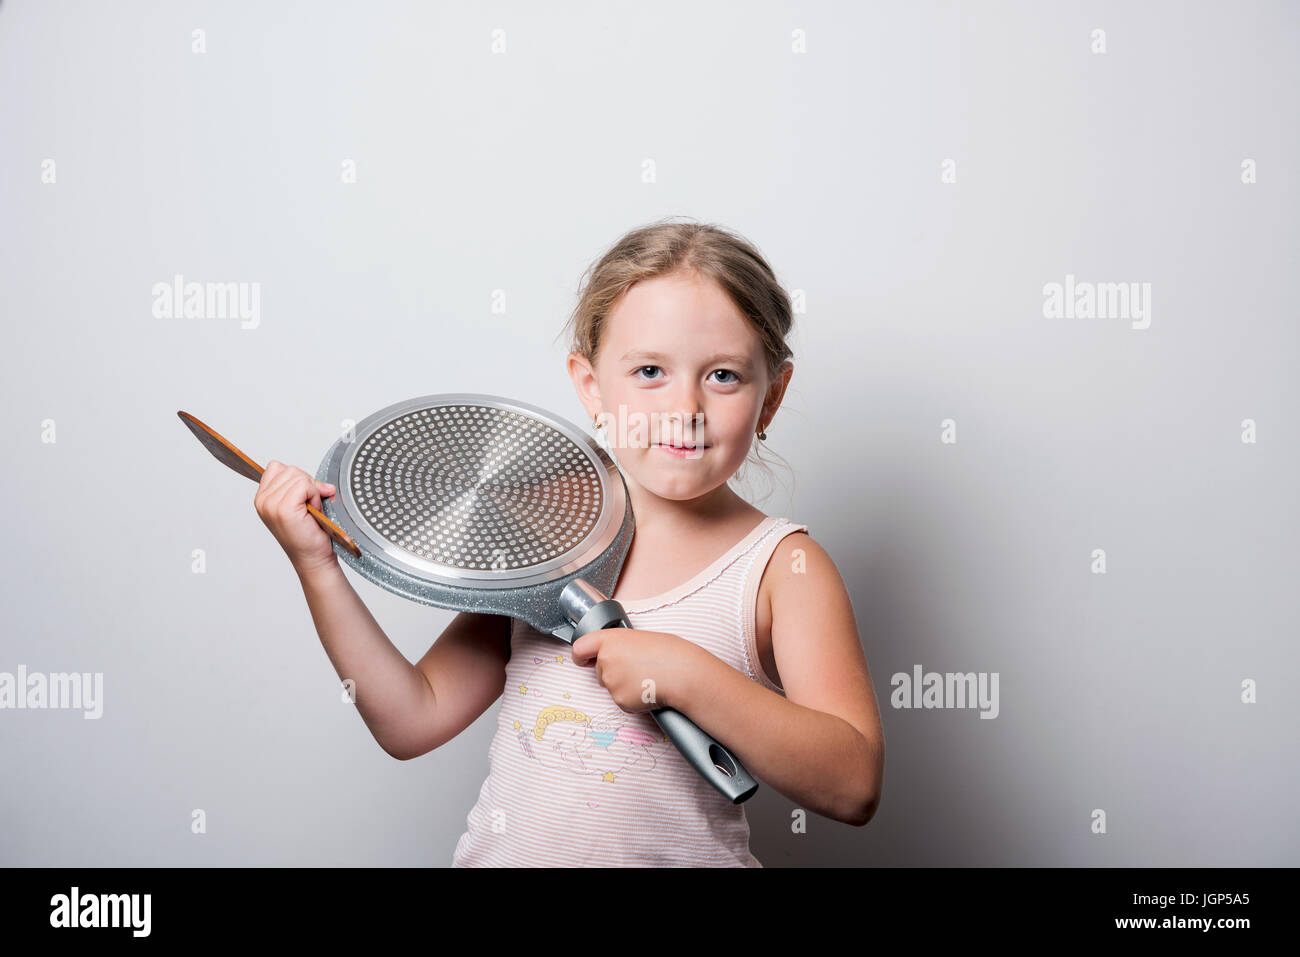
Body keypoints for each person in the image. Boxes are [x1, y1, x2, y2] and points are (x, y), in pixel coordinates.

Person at [255, 218, 884, 867]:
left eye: (723, 375)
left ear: (771, 397)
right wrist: (317, 565)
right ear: (590, 386)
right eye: (649, 370)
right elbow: (412, 718)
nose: (684, 407)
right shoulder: (544, 533)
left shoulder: (783, 569)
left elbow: (853, 783)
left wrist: (688, 674)